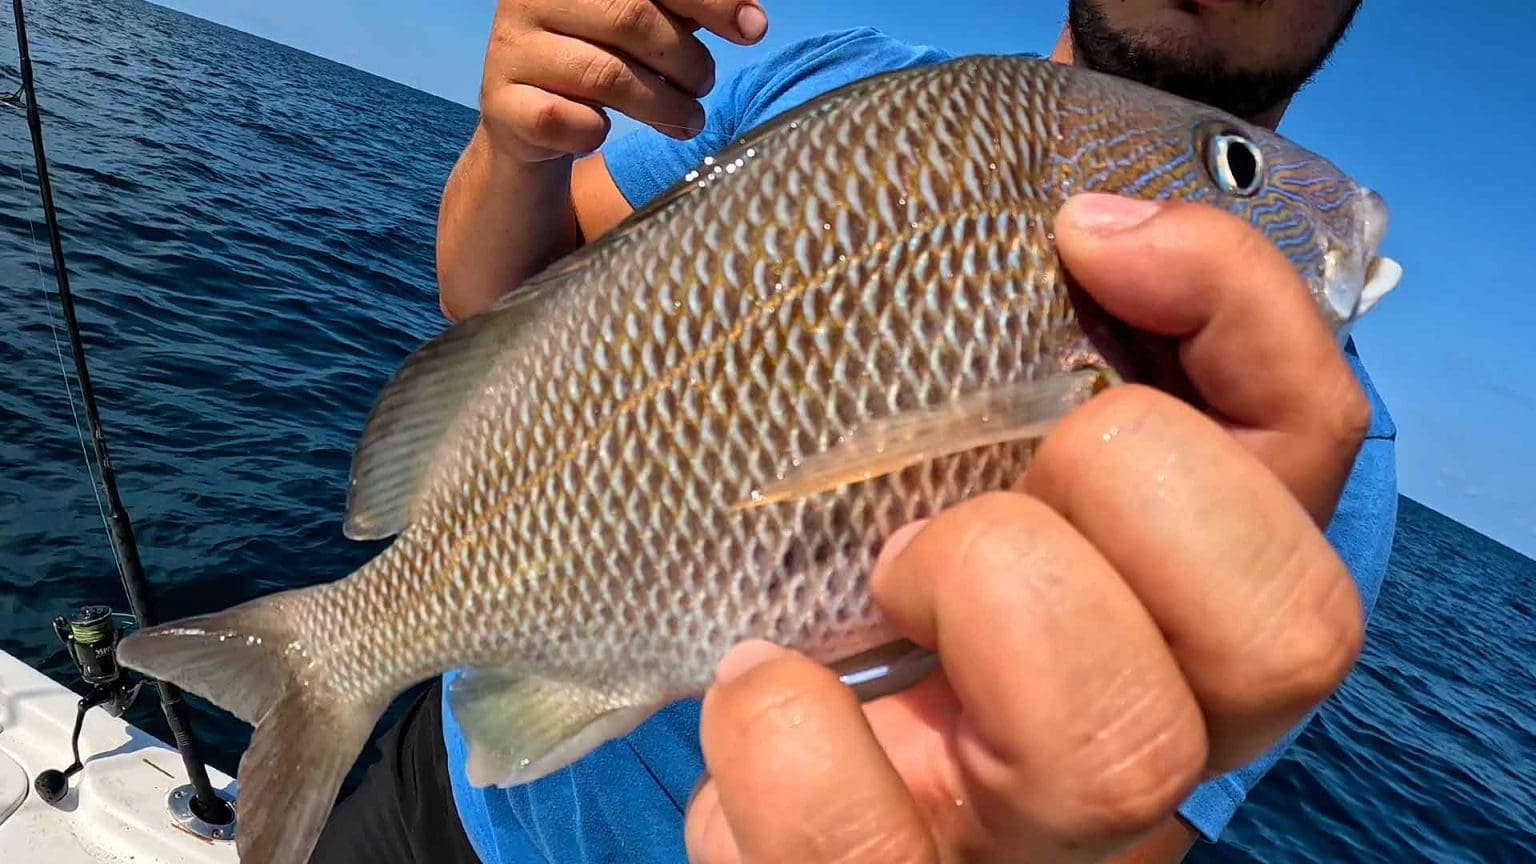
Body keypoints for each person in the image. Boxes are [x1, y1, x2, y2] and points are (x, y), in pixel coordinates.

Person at [314, 1, 1399, 862]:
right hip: (445, 796)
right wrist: (521, 144)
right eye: (1234, 170)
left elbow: (1116, 818)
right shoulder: (833, 79)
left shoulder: (1315, 464)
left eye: (1234, 167)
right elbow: (496, 299)